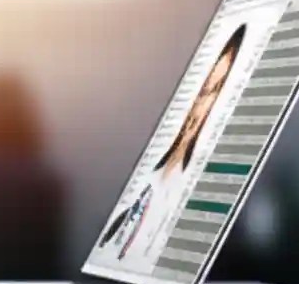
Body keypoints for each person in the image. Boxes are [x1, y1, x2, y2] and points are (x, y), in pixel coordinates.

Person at [96, 23, 248, 269]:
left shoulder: (188, 191)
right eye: (203, 89)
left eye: (213, 92)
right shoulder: (147, 176)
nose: (199, 105)